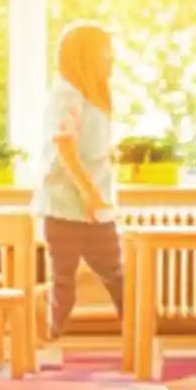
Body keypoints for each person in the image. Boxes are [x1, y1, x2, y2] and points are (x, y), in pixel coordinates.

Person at [33, 22, 123, 342]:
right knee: (64, 283)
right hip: (66, 205)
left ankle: (140, 335)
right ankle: (48, 338)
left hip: (94, 205)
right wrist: (89, 193)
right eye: (105, 51)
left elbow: (88, 147)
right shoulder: (66, 94)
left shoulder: (93, 96)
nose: (111, 57)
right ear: (87, 56)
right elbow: (65, 147)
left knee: (116, 275)